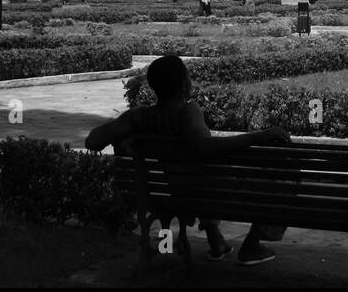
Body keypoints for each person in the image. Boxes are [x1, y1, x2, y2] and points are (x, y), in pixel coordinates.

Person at [85, 54, 291, 265]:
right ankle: (252, 246)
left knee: (197, 178)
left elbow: (92, 141)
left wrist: (124, 131)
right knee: (286, 181)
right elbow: (205, 147)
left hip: (174, 193)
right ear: (184, 84)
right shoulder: (188, 111)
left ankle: (216, 240)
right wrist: (261, 135)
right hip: (211, 194)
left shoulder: (140, 117)